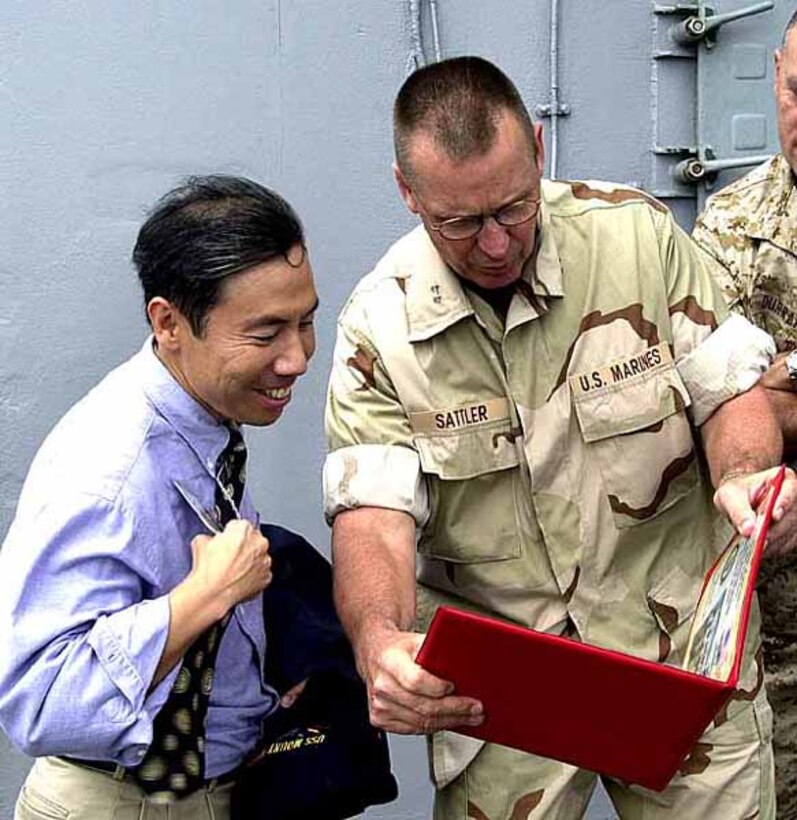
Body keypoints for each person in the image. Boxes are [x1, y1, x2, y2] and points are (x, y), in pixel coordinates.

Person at [323, 56, 797, 819]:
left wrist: (743, 475)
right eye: (460, 222)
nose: (497, 244)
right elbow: (372, 519)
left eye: (513, 207)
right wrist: (378, 639)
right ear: (406, 192)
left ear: (539, 150)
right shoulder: (380, 329)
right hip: (507, 696)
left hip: (675, 660)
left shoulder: (635, 237)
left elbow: (729, 392)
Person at [0, 175, 318, 819]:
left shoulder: (201, 421)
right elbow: (39, 699)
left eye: (305, 322)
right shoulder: (111, 470)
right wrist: (200, 600)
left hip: (205, 791)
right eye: (266, 335)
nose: (297, 359)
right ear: (169, 322)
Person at [693, 11, 797, 816]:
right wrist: (765, 392)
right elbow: (729, 397)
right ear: (772, 74)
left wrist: (779, 375)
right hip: (778, 624)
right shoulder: (732, 225)